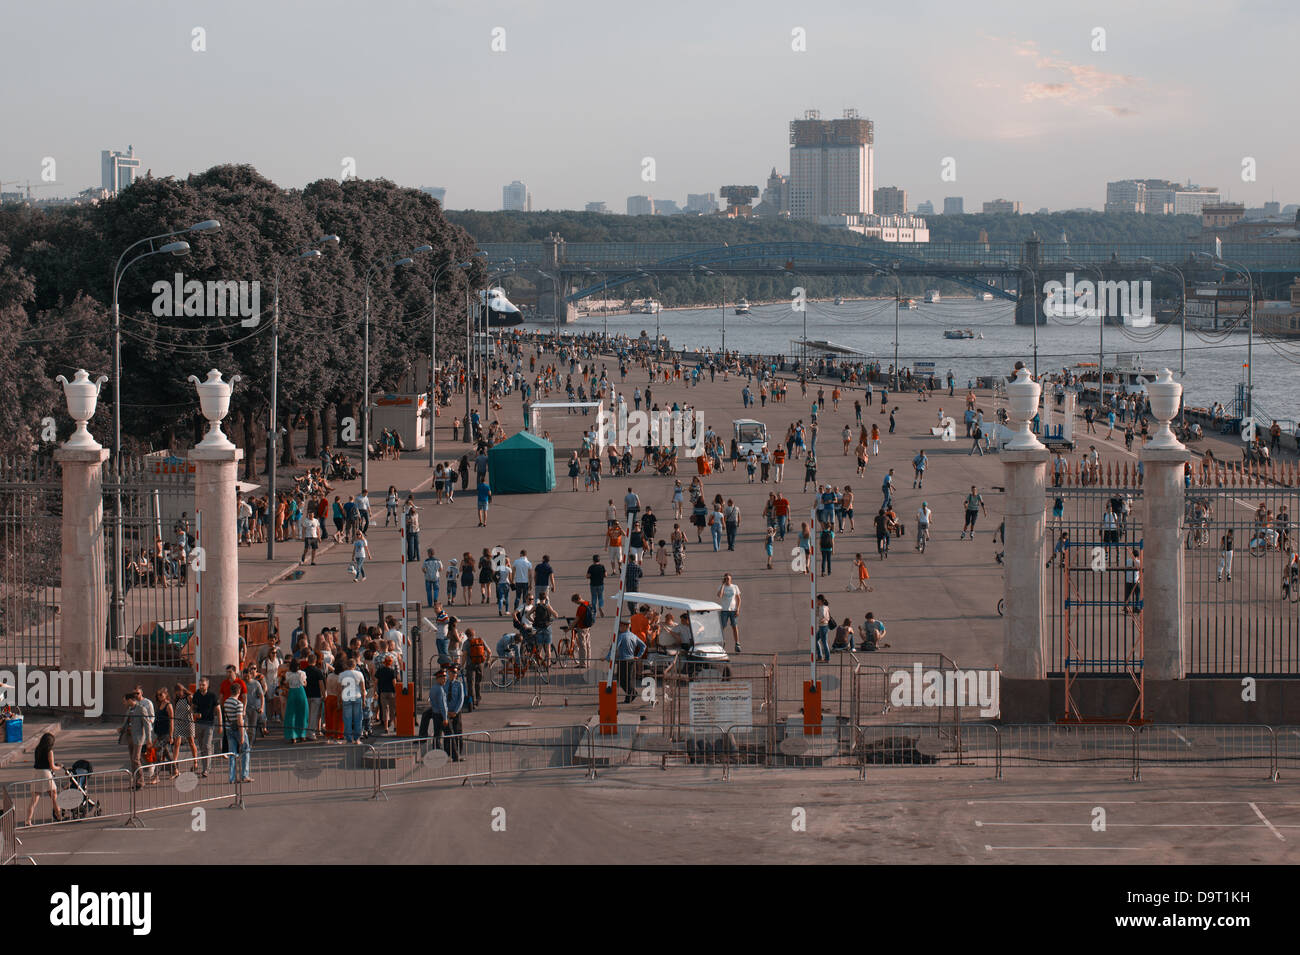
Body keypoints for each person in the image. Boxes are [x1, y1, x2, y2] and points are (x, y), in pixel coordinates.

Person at [25, 732, 62, 825]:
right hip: (45, 773)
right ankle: (59, 815)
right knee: (54, 796)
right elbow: (52, 767)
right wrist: (60, 767)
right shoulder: (49, 751)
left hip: (36, 773)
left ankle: (28, 820)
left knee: (34, 798)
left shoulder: (37, 749)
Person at [607, 622, 646, 704]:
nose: (620, 628)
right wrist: (638, 656)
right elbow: (643, 646)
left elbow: (615, 647)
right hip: (631, 659)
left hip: (623, 660)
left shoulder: (621, 636)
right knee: (628, 679)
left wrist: (608, 657)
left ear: (626, 626)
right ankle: (630, 696)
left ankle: (632, 693)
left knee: (622, 679)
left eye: (621, 626)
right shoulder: (633, 636)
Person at [222, 684, 251, 783]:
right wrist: (242, 735)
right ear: (239, 692)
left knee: (232, 753)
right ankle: (244, 775)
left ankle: (232, 778)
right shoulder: (239, 704)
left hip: (229, 728)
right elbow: (240, 720)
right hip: (238, 729)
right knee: (245, 750)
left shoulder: (226, 702)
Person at [191, 677, 218, 777]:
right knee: (202, 746)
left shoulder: (212, 696)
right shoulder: (196, 695)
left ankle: (206, 769)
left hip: (209, 724)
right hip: (198, 723)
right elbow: (192, 708)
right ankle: (204, 767)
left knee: (206, 745)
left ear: (207, 685)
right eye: (200, 684)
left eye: (203, 685)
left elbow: (218, 709)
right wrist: (195, 714)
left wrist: (220, 724)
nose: (201, 687)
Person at [338, 658, 367, 743]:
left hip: (346, 697)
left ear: (347, 665)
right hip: (357, 696)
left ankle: (349, 738)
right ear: (355, 665)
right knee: (358, 718)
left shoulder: (342, 675)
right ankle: (357, 738)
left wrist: (339, 700)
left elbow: (339, 689)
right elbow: (363, 689)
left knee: (347, 719)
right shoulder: (359, 674)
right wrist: (364, 700)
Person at [283, 658, 309, 743]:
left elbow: (286, 684)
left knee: (291, 715)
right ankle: (302, 735)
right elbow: (304, 684)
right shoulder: (302, 673)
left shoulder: (288, 674)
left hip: (292, 692)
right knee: (302, 714)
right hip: (301, 692)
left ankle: (292, 736)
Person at [718, 573, 742, 652]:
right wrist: (723, 585)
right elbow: (719, 596)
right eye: (725, 578)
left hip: (733, 610)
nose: (727, 580)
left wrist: (738, 609)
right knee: (722, 627)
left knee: (734, 627)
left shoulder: (735, 587)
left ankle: (737, 643)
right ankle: (721, 642)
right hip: (724, 610)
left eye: (728, 578)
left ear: (731, 579)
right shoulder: (722, 587)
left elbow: (739, 599)